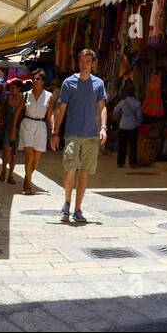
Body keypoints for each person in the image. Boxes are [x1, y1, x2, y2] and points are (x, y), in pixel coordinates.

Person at [52, 49, 107, 223]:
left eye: (88, 61)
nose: (84, 64)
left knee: (85, 172)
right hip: (73, 134)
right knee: (70, 168)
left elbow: (102, 107)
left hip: (91, 134)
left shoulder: (98, 84)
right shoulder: (69, 83)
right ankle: (66, 204)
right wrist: (55, 132)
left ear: (93, 63)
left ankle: (77, 209)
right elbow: (62, 109)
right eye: (82, 61)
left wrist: (103, 127)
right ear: (78, 63)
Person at [13, 70, 53, 195]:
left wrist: (54, 130)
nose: (35, 81)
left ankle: (27, 176)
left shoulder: (49, 96)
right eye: (34, 79)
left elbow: (50, 114)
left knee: (36, 159)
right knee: (29, 155)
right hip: (27, 124)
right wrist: (13, 129)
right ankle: (29, 183)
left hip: (41, 126)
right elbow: (18, 112)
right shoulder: (26, 95)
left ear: (43, 82)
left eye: (38, 79)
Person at [0, 77, 26, 184]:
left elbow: (18, 115)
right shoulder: (6, 98)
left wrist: (13, 130)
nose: (11, 89)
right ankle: (3, 171)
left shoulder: (22, 98)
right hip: (7, 127)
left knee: (14, 153)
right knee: (6, 152)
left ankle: (10, 175)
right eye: (11, 87)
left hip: (17, 129)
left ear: (19, 89)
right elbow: (0, 110)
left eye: (13, 87)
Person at [112, 81, 143, 169]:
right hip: (134, 126)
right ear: (134, 92)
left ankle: (120, 163)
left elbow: (115, 110)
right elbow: (139, 116)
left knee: (122, 145)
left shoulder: (122, 102)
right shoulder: (137, 103)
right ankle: (133, 163)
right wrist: (139, 122)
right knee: (133, 145)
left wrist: (120, 116)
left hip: (123, 126)